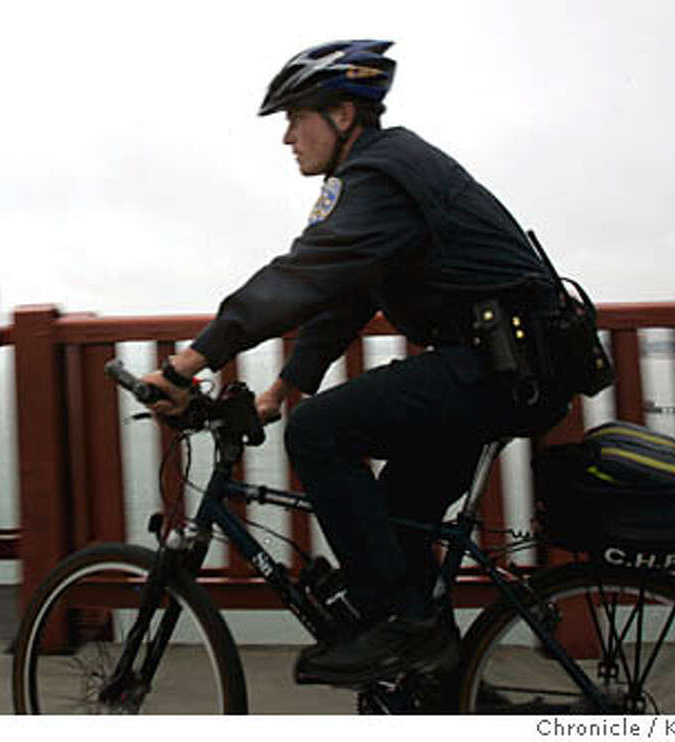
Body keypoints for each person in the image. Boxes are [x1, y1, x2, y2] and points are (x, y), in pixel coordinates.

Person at [139, 40, 572, 687]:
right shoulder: (388, 176)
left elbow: (304, 275)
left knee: (319, 431)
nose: (287, 137)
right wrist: (278, 390)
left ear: (342, 115)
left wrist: (187, 363)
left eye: (295, 117)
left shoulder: (378, 173)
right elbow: (342, 298)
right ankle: (443, 684)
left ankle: (399, 628)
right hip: (510, 372)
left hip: (499, 370)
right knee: (397, 524)